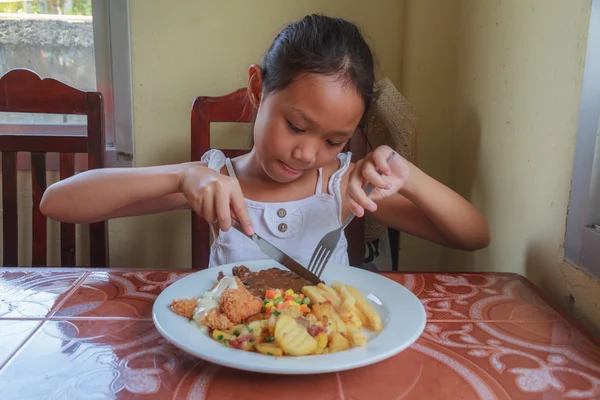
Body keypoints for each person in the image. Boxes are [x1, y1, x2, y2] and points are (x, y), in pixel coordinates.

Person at [40, 14, 490, 268]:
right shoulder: (218, 183)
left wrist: (406, 175)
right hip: (235, 360)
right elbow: (57, 203)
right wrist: (183, 175)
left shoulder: (342, 187)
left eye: (335, 140)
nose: (308, 153)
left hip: (326, 363)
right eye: (295, 126)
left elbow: (473, 236)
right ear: (257, 90)